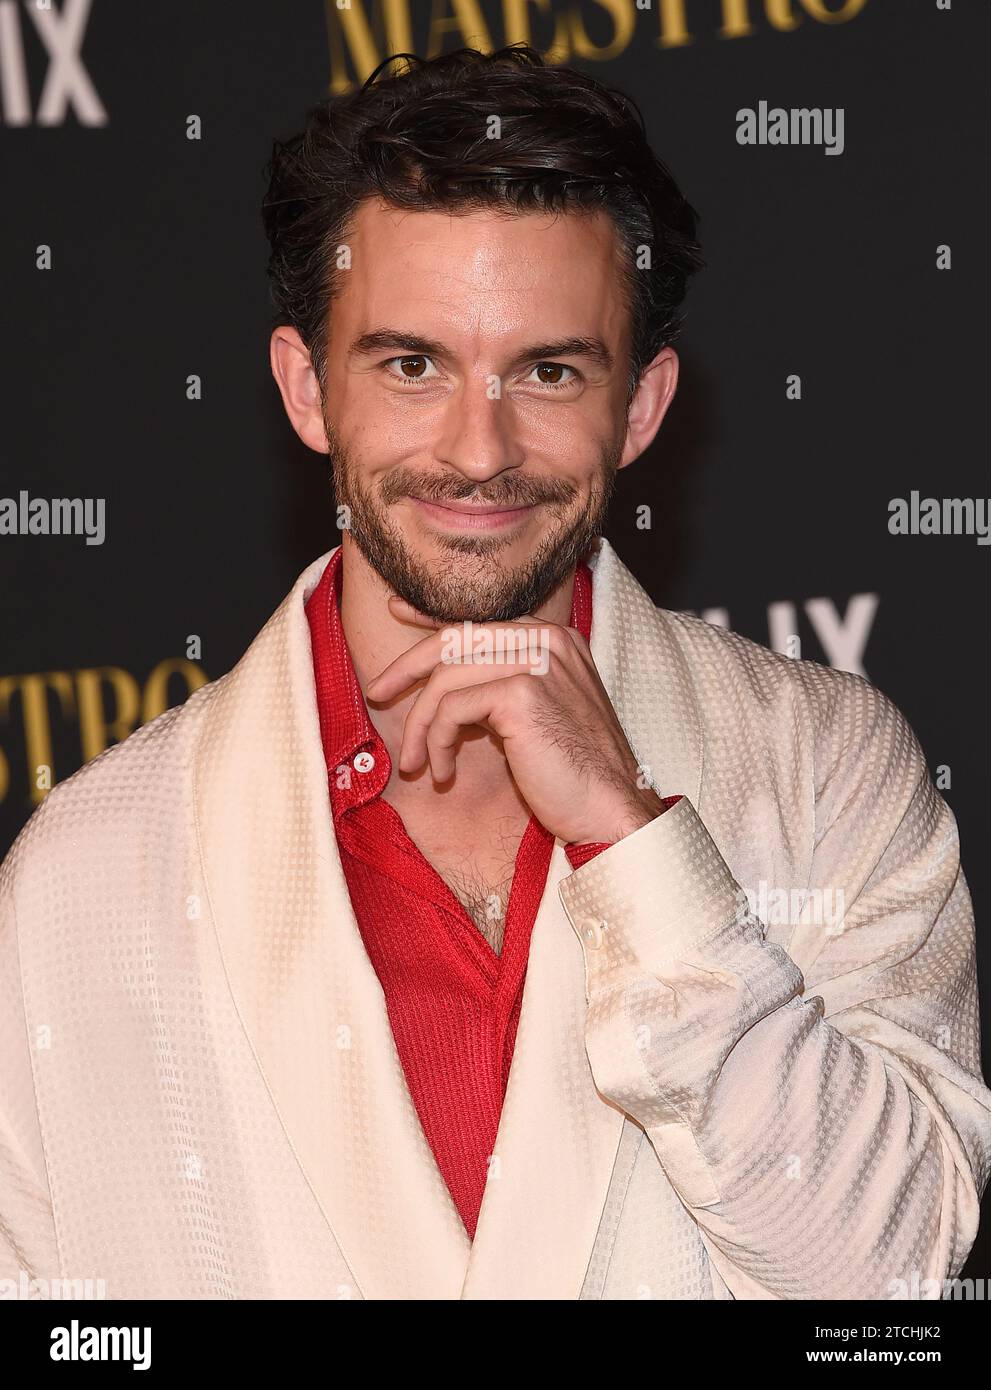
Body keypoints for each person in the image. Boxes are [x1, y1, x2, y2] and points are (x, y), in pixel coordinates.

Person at [2, 44, 989, 1302]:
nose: (480, 451)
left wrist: (637, 849)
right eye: (411, 365)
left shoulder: (828, 768)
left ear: (641, 407)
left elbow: (895, 1281)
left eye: (549, 371)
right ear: (307, 390)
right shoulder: (84, 875)